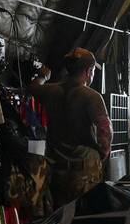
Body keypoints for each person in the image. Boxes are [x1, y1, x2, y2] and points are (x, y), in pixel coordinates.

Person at [27, 47, 112, 208]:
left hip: (58, 174)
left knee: (61, 223)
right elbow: (105, 130)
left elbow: (33, 87)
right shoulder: (92, 97)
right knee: (85, 221)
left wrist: (42, 76)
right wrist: (100, 155)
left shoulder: (49, 92)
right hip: (85, 173)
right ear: (88, 72)